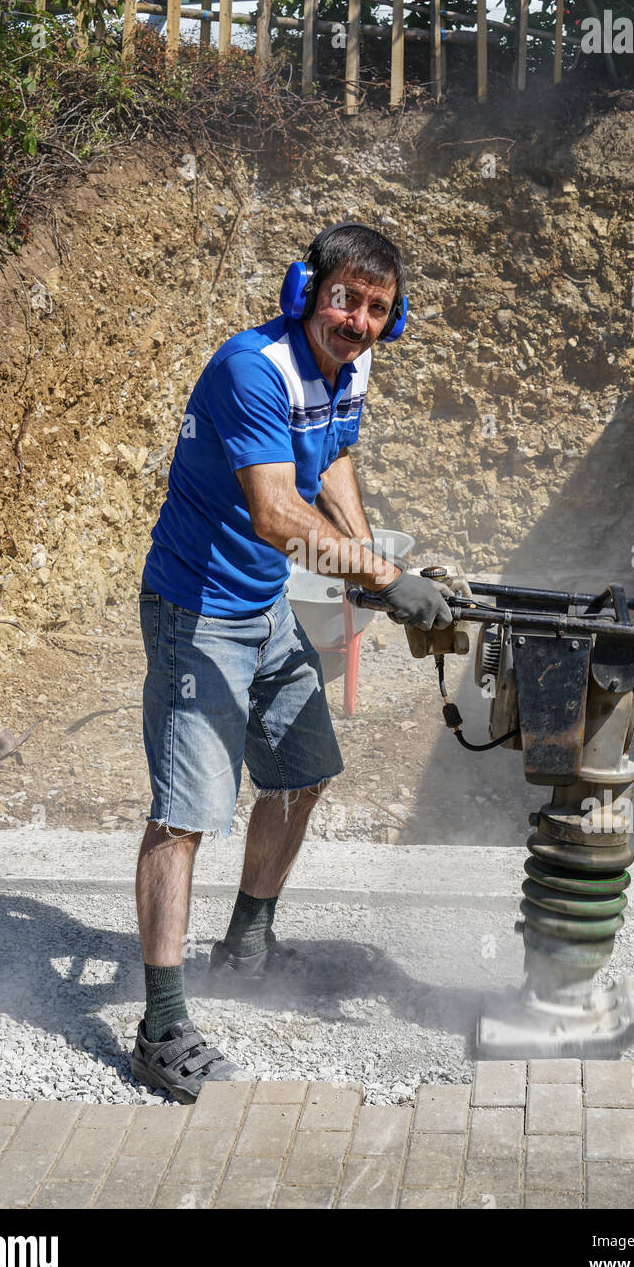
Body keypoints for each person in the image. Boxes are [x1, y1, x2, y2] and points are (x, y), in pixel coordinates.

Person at [130, 222, 452, 1102]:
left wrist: (377, 574)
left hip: (264, 606)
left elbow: (336, 456)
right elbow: (276, 513)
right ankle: (159, 1027)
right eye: (344, 298)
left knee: (302, 770)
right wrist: (383, 575)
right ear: (306, 289)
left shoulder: (352, 368)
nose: (356, 321)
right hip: (195, 612)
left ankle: (246, 943)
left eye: (377, 309)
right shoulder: (253, 369)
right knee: (185, 813)